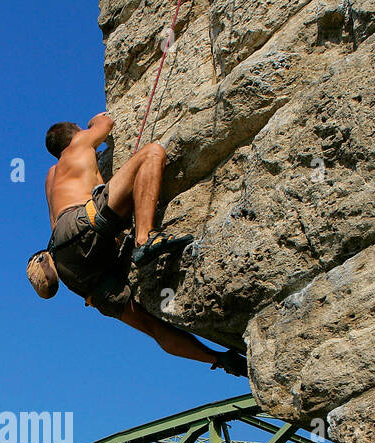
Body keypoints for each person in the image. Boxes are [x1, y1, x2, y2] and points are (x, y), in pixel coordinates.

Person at [27, 112, 247, 378]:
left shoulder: (51, 176)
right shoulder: (80, 142)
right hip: (82, 223)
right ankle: (146, 237)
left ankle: (219, 360)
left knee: (151, 325)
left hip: (71, 266)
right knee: (153, 152)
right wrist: (90, 123)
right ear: (73, 133)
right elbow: (104, 123)